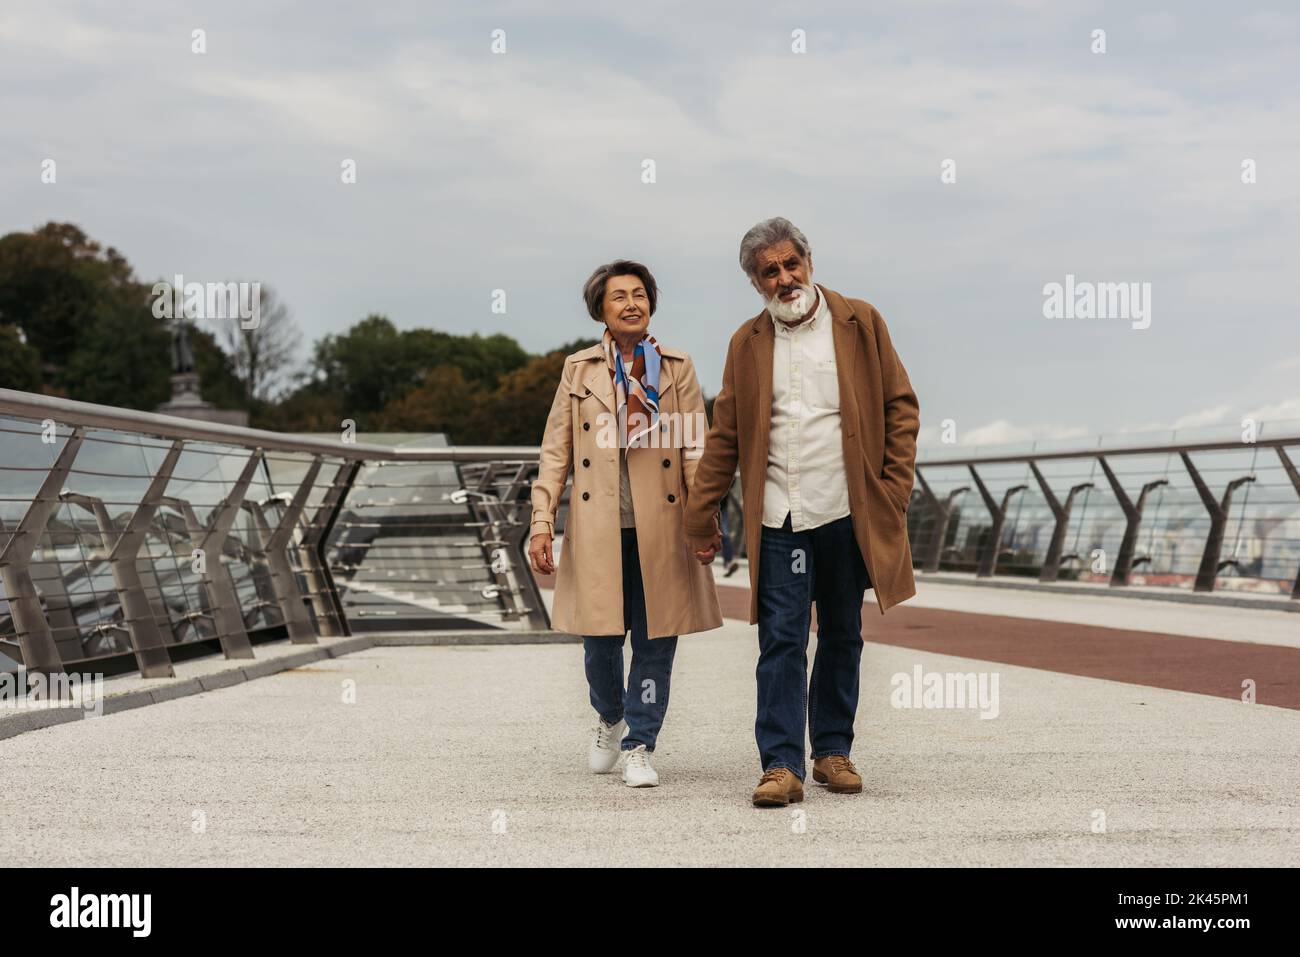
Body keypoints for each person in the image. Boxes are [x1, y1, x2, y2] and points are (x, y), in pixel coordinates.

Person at [684, 218, 920, 807]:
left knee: (843, 633)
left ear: (809, 262)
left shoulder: (860, 321)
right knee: (782, 640)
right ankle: (780, 765)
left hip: (847, 511)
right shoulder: (747, 343)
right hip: (781, 518)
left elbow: (901, 408)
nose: (785, 278)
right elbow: (726, 435)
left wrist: (891, 492)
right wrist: (699, 514)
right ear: (755, 281)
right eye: (770, 271)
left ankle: (833, 752)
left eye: (792, 265)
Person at [529, 260, 723, 788]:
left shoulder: (676, 367)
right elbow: (556, 451)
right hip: (598, 528)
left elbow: (693, 448)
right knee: (601, 641)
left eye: (640, 294)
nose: (632, 303)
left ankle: (640, 744)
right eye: (619, 297)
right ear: (601, 309)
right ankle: (610, 717)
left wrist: (702, 519)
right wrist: (542, 520)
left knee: (657, 640)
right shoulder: (580, 370)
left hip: (662, 527)